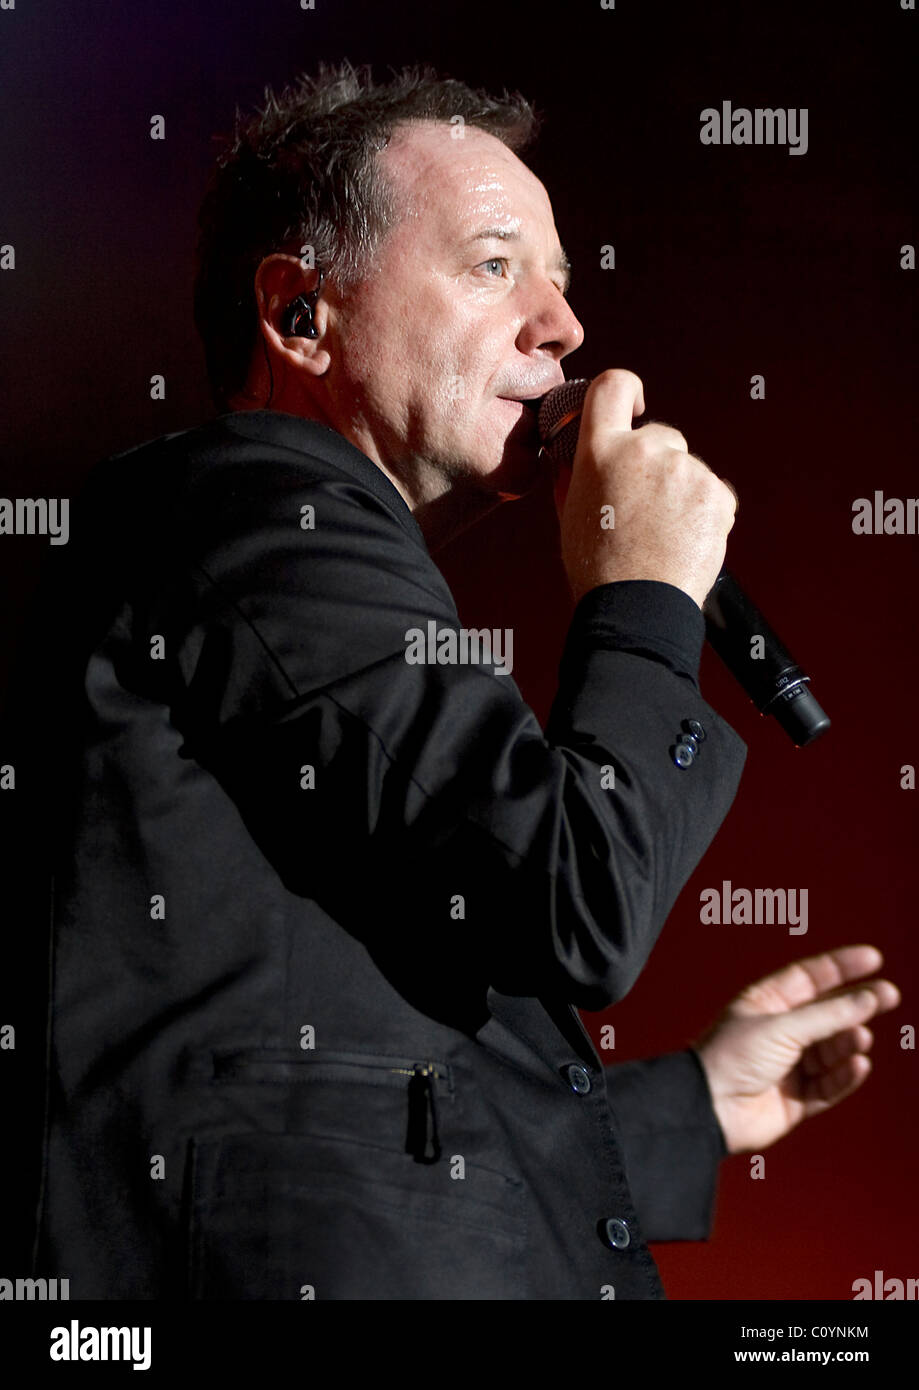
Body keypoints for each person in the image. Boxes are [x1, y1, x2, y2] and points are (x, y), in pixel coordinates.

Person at [2, 63, 899, 1300]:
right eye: (493, 265)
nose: (562, 325)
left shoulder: (276, 576)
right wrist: (642, 598)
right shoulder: (254, 506)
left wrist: (694, 1103)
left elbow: (364, 1107)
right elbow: (576, 898)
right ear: (299, 313)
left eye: (563, 279)